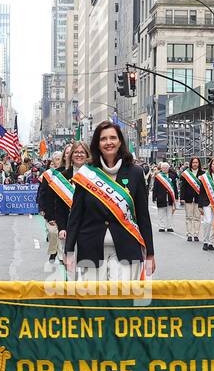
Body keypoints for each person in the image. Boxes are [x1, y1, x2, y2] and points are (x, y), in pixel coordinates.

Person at [65, 120, 156, 282]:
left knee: (122, 302)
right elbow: (75, 215)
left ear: (120, 141)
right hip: (90, 248)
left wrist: (150, 253)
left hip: (128, 248)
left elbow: (143, 215)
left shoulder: (135, 172)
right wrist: (69, 251)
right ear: (97, 144)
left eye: (113, 138)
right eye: (103, 139)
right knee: (93, 302)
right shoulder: (86, 173)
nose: (108, 142)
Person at [39, 144, 80, 265]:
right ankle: (56, 255)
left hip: (80, 220)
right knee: (59, 241)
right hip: (61, 216)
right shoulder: (57, 174)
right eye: (67, 153)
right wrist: (49, 215)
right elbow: (48, 196)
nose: (70, 155)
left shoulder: (86, 173)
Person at [180, 157, 204, 242]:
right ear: (191, 163)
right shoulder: (186, 174)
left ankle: (196, 234)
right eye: (193, 162)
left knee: (197, 217)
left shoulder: (203, 174)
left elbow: (204, 188)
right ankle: (189, 234)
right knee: (189, 217)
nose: (195, 164)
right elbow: (182, 187)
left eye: (196, 162)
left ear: (199, 163)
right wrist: (182, 198)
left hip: (199, 198)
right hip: (188, 197)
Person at [151, 160, 177, 233]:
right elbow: (155, 187)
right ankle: (162, 226)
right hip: (161, 196)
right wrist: (154, 197)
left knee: (169, 213)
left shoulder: (172, 176)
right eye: (163, 168)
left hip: (170, 197)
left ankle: (169, 226)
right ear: (161, 169)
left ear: (168, 168)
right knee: (161, 212)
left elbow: (174, 187)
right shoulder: (158, 177)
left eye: (166, 168)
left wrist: (177, 197)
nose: (165, 169)